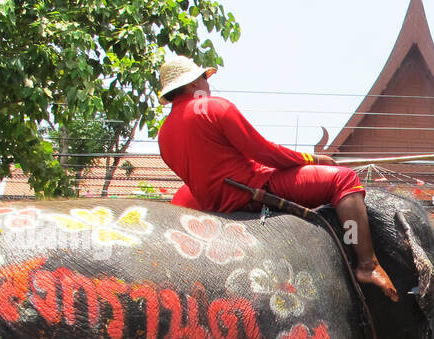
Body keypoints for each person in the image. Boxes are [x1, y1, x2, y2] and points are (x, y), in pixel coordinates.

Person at [155, 56, 398, 301]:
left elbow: (213, 167)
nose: (207, 84)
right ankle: (367, 264)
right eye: (203, 78)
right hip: (250, 192)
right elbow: (263, 152)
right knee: (344, 179)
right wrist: (312, 160)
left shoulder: (163, 135)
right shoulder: (214, 107)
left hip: (212, 204)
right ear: (191, 84)